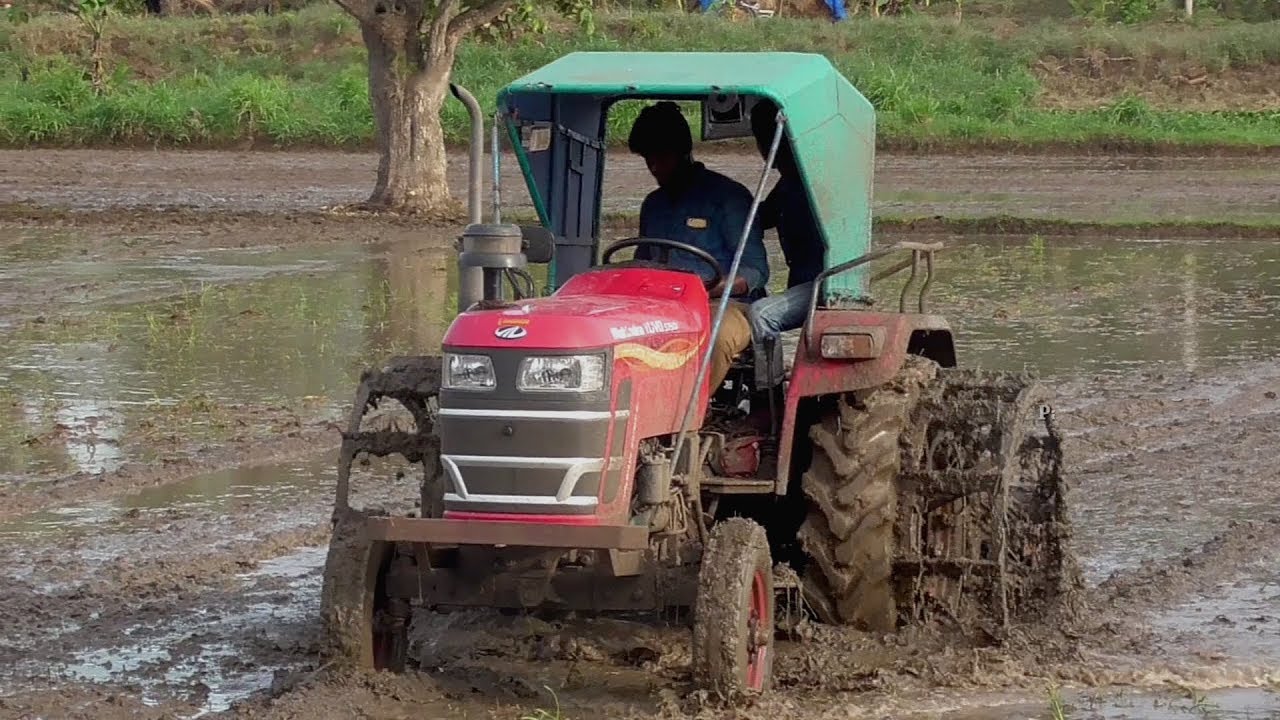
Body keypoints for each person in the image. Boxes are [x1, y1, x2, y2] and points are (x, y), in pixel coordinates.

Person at [627, 101, 770, 394]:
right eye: (648, 159)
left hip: (723, 305)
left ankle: (688, 414)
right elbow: (641, 264)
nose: (655, 167)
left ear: (683, 152)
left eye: (661, 157)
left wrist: (709, 287)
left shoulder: (730, 198)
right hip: (664, 306)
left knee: (717, 335)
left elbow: (756, 270)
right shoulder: (652, 206)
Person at [745, 99, 824, 385]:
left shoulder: (814, 181)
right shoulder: (788, 183)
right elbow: (759, 217)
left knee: (762, 314)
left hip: (825, 285)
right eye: (759, 138)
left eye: (768, 137)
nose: (764, 148)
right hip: (802, 282)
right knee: (746, 299)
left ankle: (768, 395)